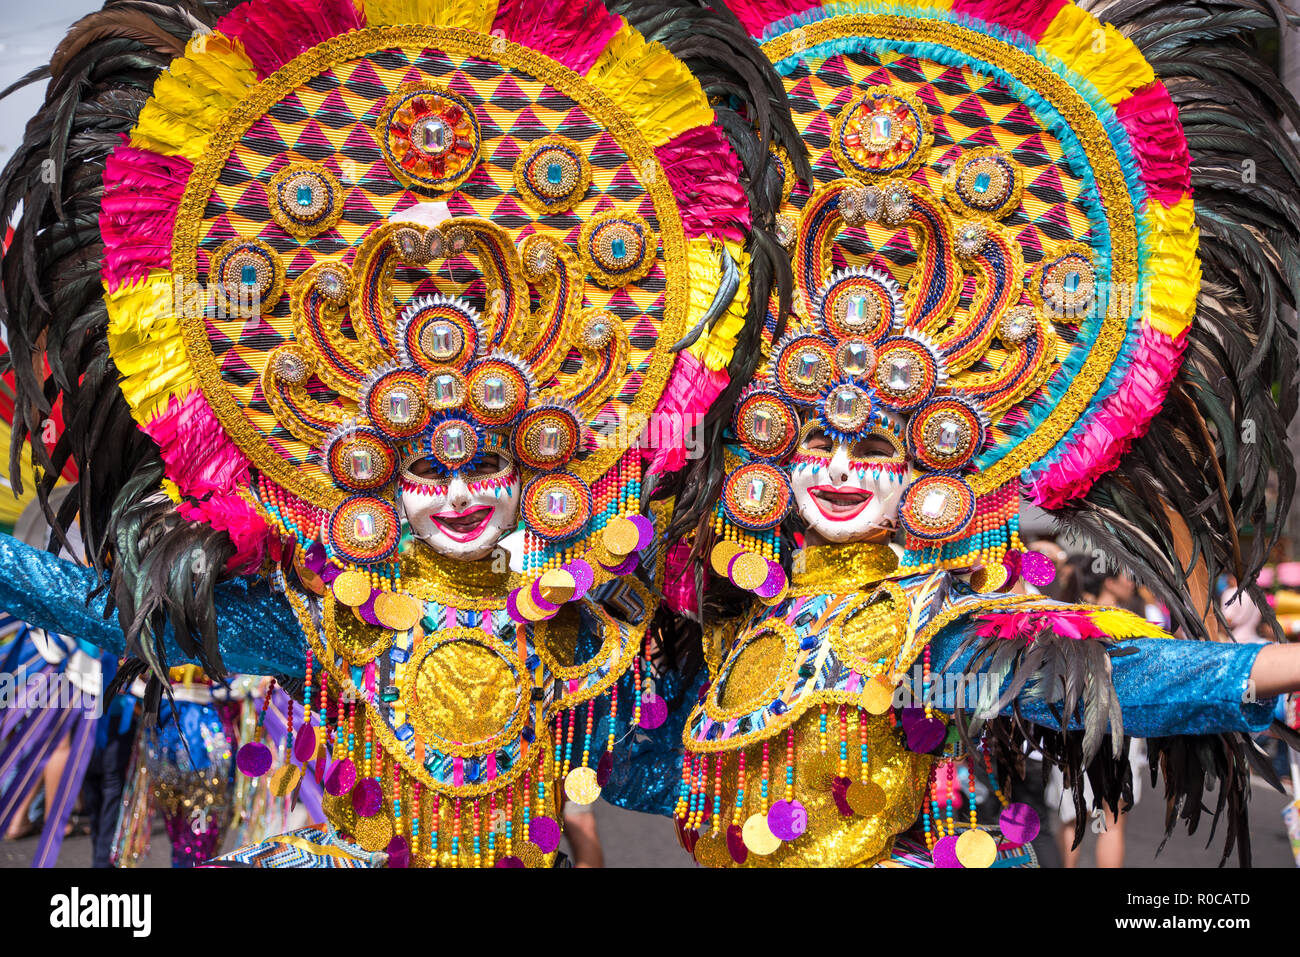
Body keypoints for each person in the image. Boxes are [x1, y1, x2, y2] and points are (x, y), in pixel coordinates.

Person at [0, 0, 796, 868]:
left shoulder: (584, 621)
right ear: (367, 469)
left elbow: (685, 766)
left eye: (485, 460)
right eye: (426, 465)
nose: (459, 491)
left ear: (536, 463)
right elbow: (99, 611)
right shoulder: (326, 618)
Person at [625, 0, 1300, 868]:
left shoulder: (932, 626)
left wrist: (1275, 667)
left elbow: (1116, 678)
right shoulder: (746, 619)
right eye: (816, 445)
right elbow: (644, 769)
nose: (835, 468)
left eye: (872, 449)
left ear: (928, 469)